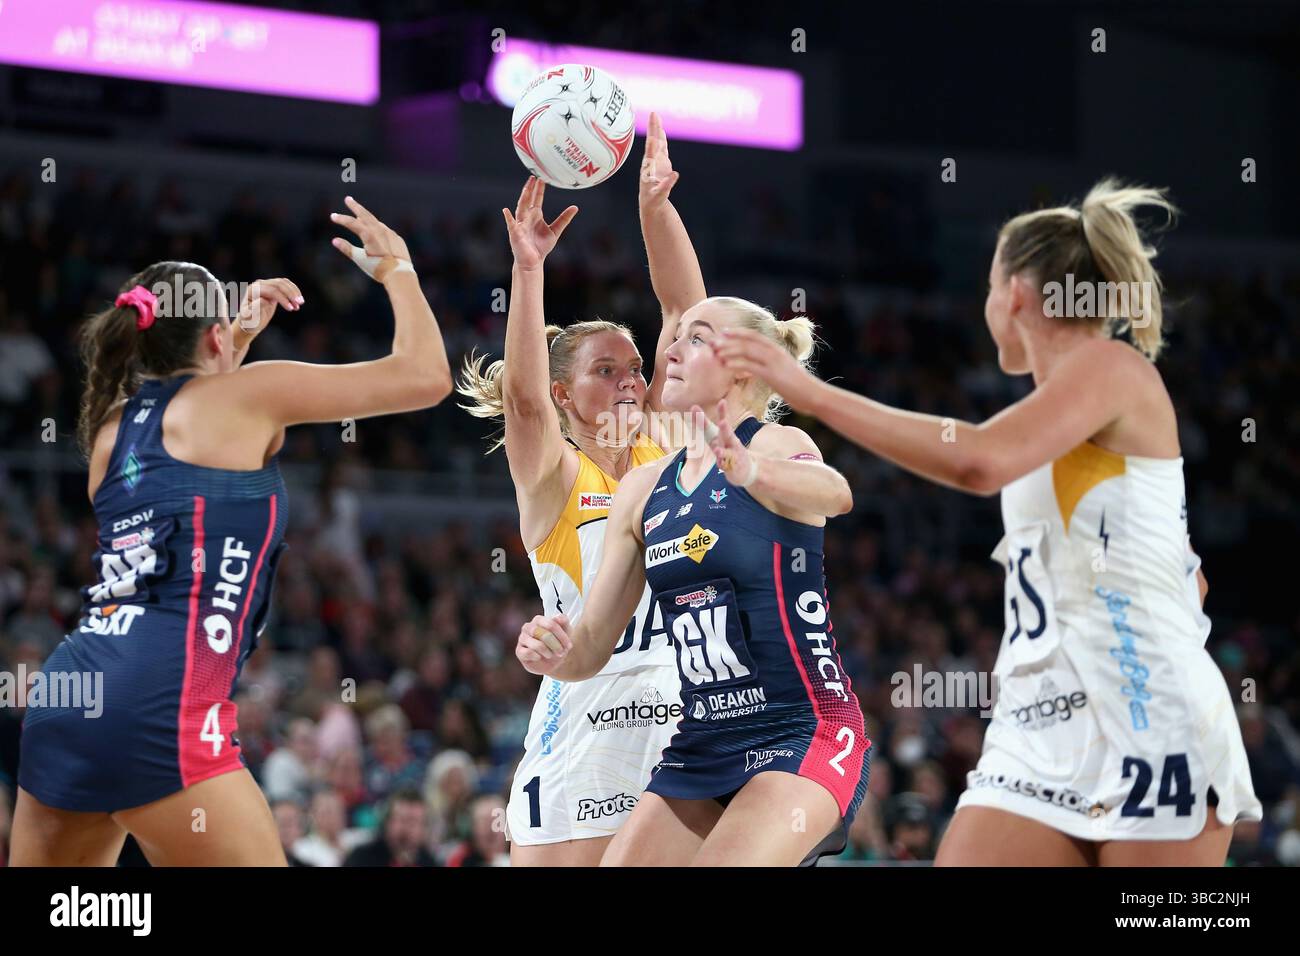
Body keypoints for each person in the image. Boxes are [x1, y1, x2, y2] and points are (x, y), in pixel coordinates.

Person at [712, 179, 1263, 865]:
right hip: (1040, 723)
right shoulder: (1055, 417)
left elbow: (976, 460)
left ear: (1017, 296)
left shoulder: (1111, 366)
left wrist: (810, 394)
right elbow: (1190, 576)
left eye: (989, 288)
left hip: (1145, 712)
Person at [11, 197, 452, 866]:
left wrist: (230, 348)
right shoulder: (250, 397)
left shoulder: (110, 432)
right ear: (215, 336)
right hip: (161, 702)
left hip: (70, 696)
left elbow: (191, 436)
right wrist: (399, 271)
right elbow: (425, 378)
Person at [515, 295, 870, 866]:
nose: (671, 352)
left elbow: (836, 493)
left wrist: (753, 471)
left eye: (695, 339)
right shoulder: (643, 489)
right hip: (702, 741)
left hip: (800, 728)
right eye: (675, 338)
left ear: (744, 368)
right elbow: (587, 651)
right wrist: (547, 651)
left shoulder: (775, 445)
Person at [458, 115, 705, 865]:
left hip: (685, 723)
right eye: (607, 370)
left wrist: (656, 210)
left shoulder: (670, 446)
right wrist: (528, 270)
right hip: (588, 727)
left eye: (636, 367)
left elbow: (687, 318)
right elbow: (524, 404)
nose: (633, 379)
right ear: (566, 396)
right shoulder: (557, 477)